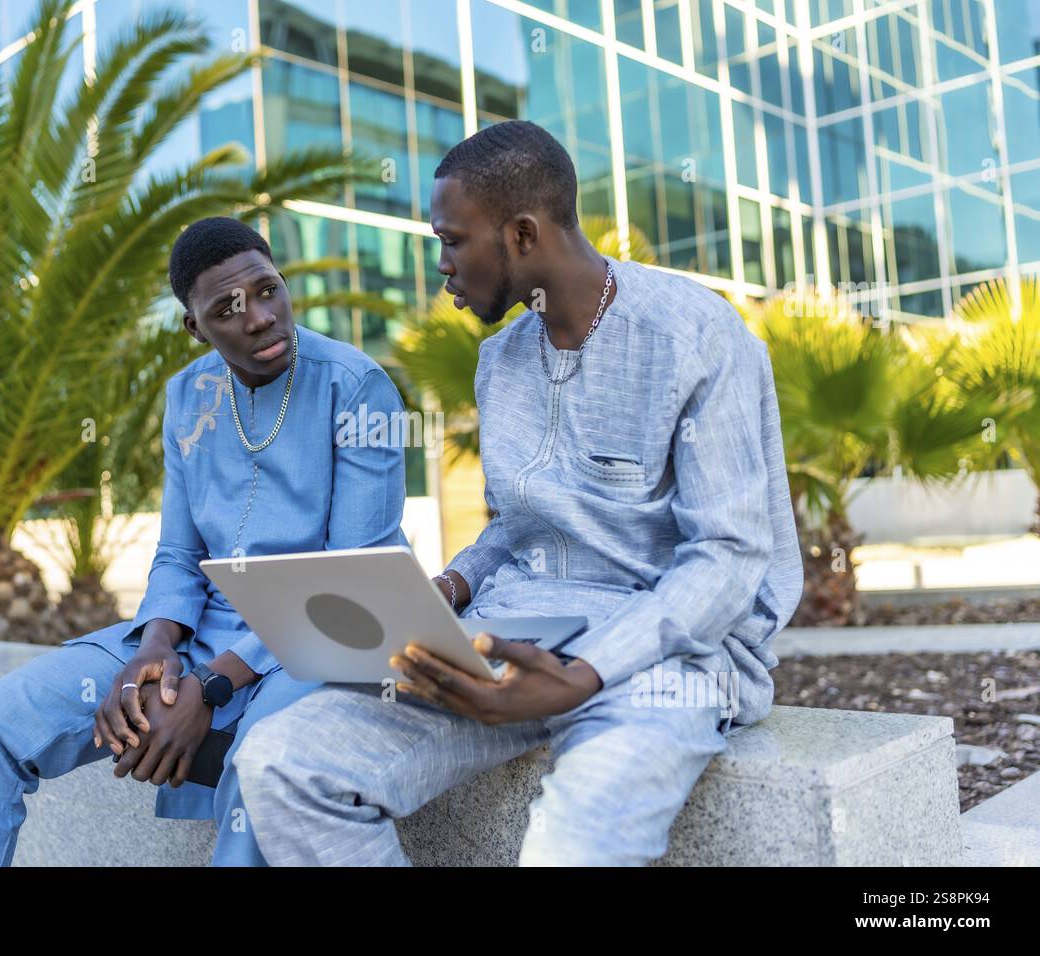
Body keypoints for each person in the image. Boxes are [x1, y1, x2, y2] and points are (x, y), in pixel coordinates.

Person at [233, 120, 805, 866]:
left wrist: (583, 675)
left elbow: (728, 560)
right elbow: (519, 526)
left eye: (451, 240)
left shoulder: (694, 336)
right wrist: (452, 582)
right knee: (281, 761)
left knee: (575, 839)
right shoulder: (500, 358)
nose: (441, 266)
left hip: (669, 659)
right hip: (509, 637)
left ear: (523, 234)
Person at [0, 217, 410, 866]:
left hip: (317, 647)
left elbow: (350, 582)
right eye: (227, 309)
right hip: (203, 633)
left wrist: (210, 689)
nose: (259, 317)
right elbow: (179, 555)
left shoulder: (358, 386)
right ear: (195, 327)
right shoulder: (188, 396)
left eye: (268, 291)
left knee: (262, 777)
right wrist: (153, 652)